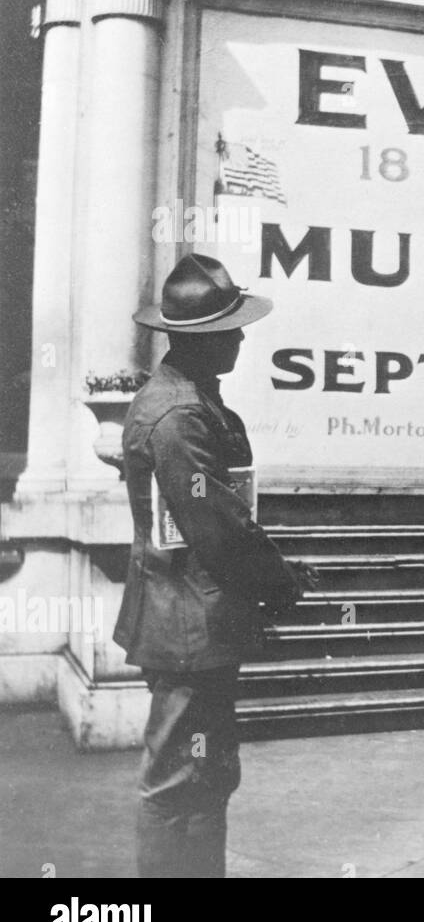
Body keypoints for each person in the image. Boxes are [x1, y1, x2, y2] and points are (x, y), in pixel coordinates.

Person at [113, 254, 317, 878]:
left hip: (192, 620)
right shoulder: (180, 415)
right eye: (229, 331)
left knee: (206, 774)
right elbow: (219, 527)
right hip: (188, 629)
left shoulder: (187, 401)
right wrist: (280, 582)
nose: (240, 340)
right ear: (200, 340)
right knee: (180, 781)